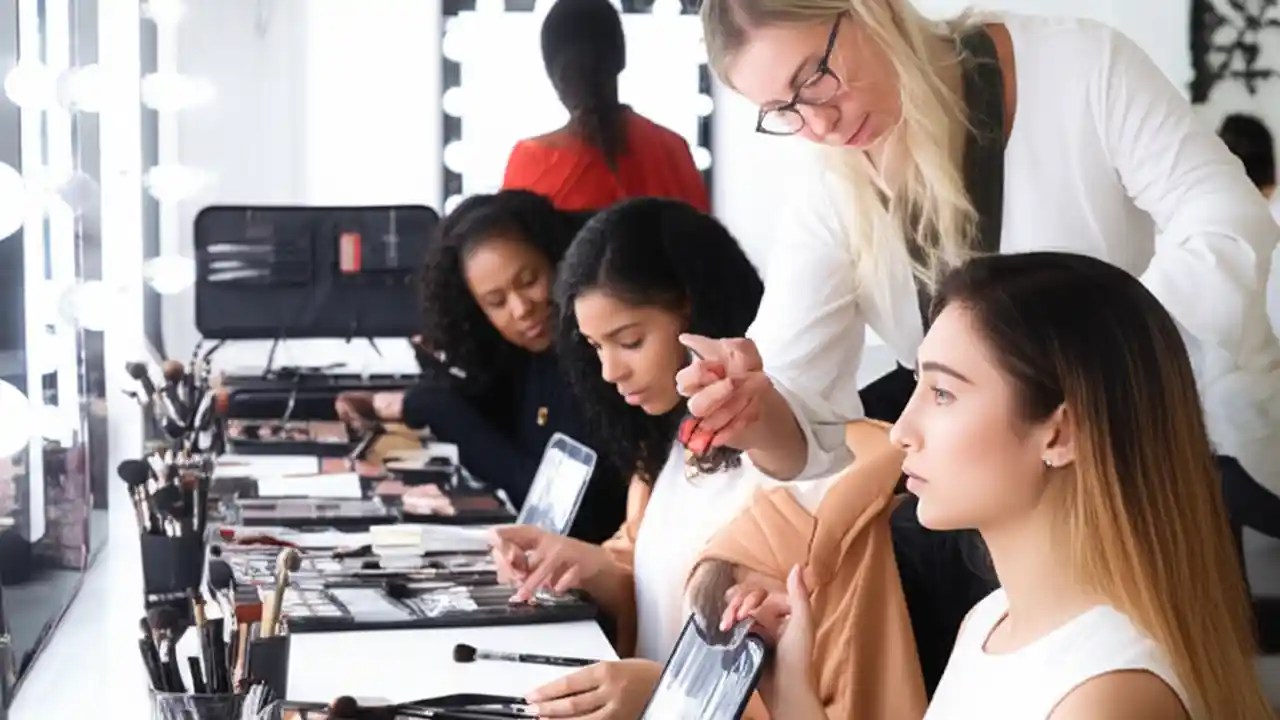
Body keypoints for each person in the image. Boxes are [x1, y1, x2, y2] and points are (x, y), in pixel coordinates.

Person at [683, 0, 1280, 671]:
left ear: (872, 10)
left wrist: (1091, 370)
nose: (819, 123)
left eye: (815, 78)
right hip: (999, 526)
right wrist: (753, 411)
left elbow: (1227, 222)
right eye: (782, 110)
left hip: (1137, 475)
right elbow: (802, 414)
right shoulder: (831, 189)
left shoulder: (1079, 65)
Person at [732, 252, 1271, 719]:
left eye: (943, 393)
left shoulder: (1106, 696)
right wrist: (791, 689)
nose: (901, 431)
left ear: (1060, 433)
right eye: (919, 384)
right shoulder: (991, 622)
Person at [488, 198, 764, 719]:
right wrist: (589, 567)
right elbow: (654, 589)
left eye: (630, 341)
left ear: (696, 312)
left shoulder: (784, 472)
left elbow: (810, 682)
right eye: (595, 347)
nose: (610, 371)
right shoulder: (665, 449)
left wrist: (667, 691)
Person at [338, 190, 624, 544]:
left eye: (529, 281)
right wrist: (407, 403)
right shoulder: (527, 357)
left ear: (559, 259)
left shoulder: (601, 361)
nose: (521, 309)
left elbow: (560, 510)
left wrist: (435, 409)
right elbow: (484, 405)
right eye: (496, 302)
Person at [501, 0, 710, 213]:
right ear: (620, 58)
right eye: (574, 72)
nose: (585, 82)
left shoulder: (531, 162)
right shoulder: (672, 152)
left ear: (553, 76)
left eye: (591, 69)